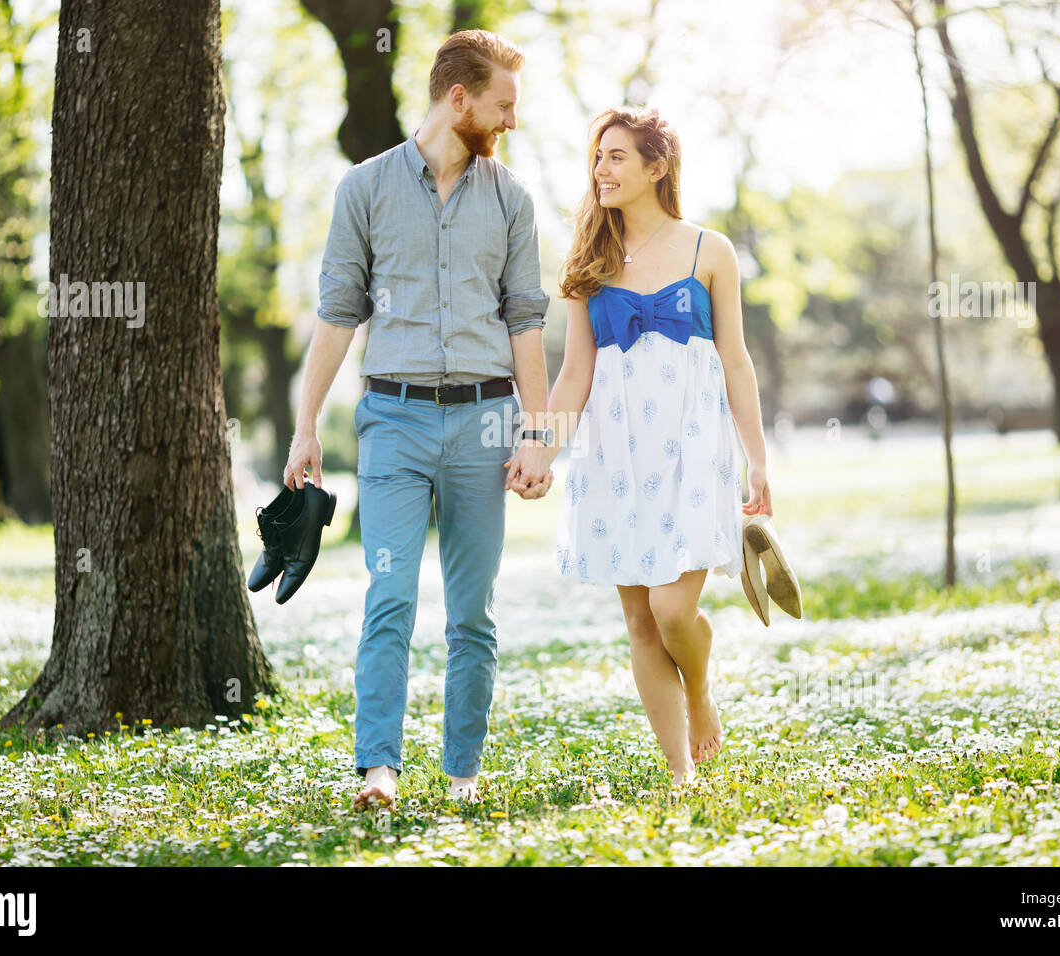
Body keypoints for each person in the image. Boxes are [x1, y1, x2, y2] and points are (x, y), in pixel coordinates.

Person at [283, 29, 554, 811]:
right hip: (392, 423)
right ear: (458, 98)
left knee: (473, 612)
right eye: (503, 105)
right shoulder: (364, 190)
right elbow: (337, 316)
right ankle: (379, 770)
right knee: (390, 598)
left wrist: (537, 435)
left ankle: (463, 775)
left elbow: (525, 324)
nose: (511, 121)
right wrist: (306, 428)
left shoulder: (513, 201)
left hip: (484, 422)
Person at [515, 106, 772, 789]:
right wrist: (541, 447)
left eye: (617, 156)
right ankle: (682, 771)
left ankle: (699, 693)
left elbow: (737, 361)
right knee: (639, 622)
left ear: (657, 168)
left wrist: (759, 458)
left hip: (692, 446)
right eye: (598, 157)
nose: (601, 169)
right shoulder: (587, 264)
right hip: (614, 454)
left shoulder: (708, 251)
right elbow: (575, 372)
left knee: (672, 610)